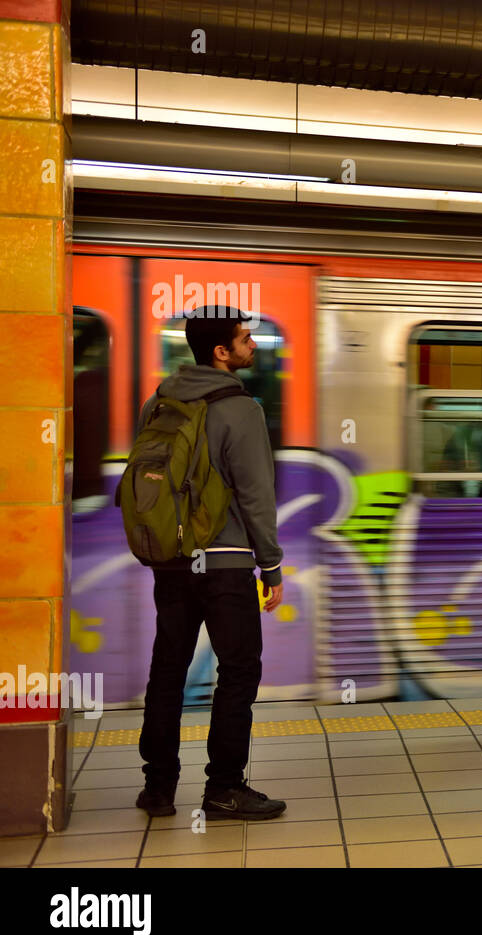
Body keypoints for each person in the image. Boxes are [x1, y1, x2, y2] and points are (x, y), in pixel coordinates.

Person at [133, 306, 287, 820]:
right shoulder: (240, 408)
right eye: (246, 339)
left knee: (167, 670)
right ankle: (223, 788)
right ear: (221, 352)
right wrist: (272, 567)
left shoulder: (159, 400)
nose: (253, 346)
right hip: (224, 564)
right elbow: (256, 495)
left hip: (171, 563)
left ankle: (157, 789)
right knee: (239, 672)